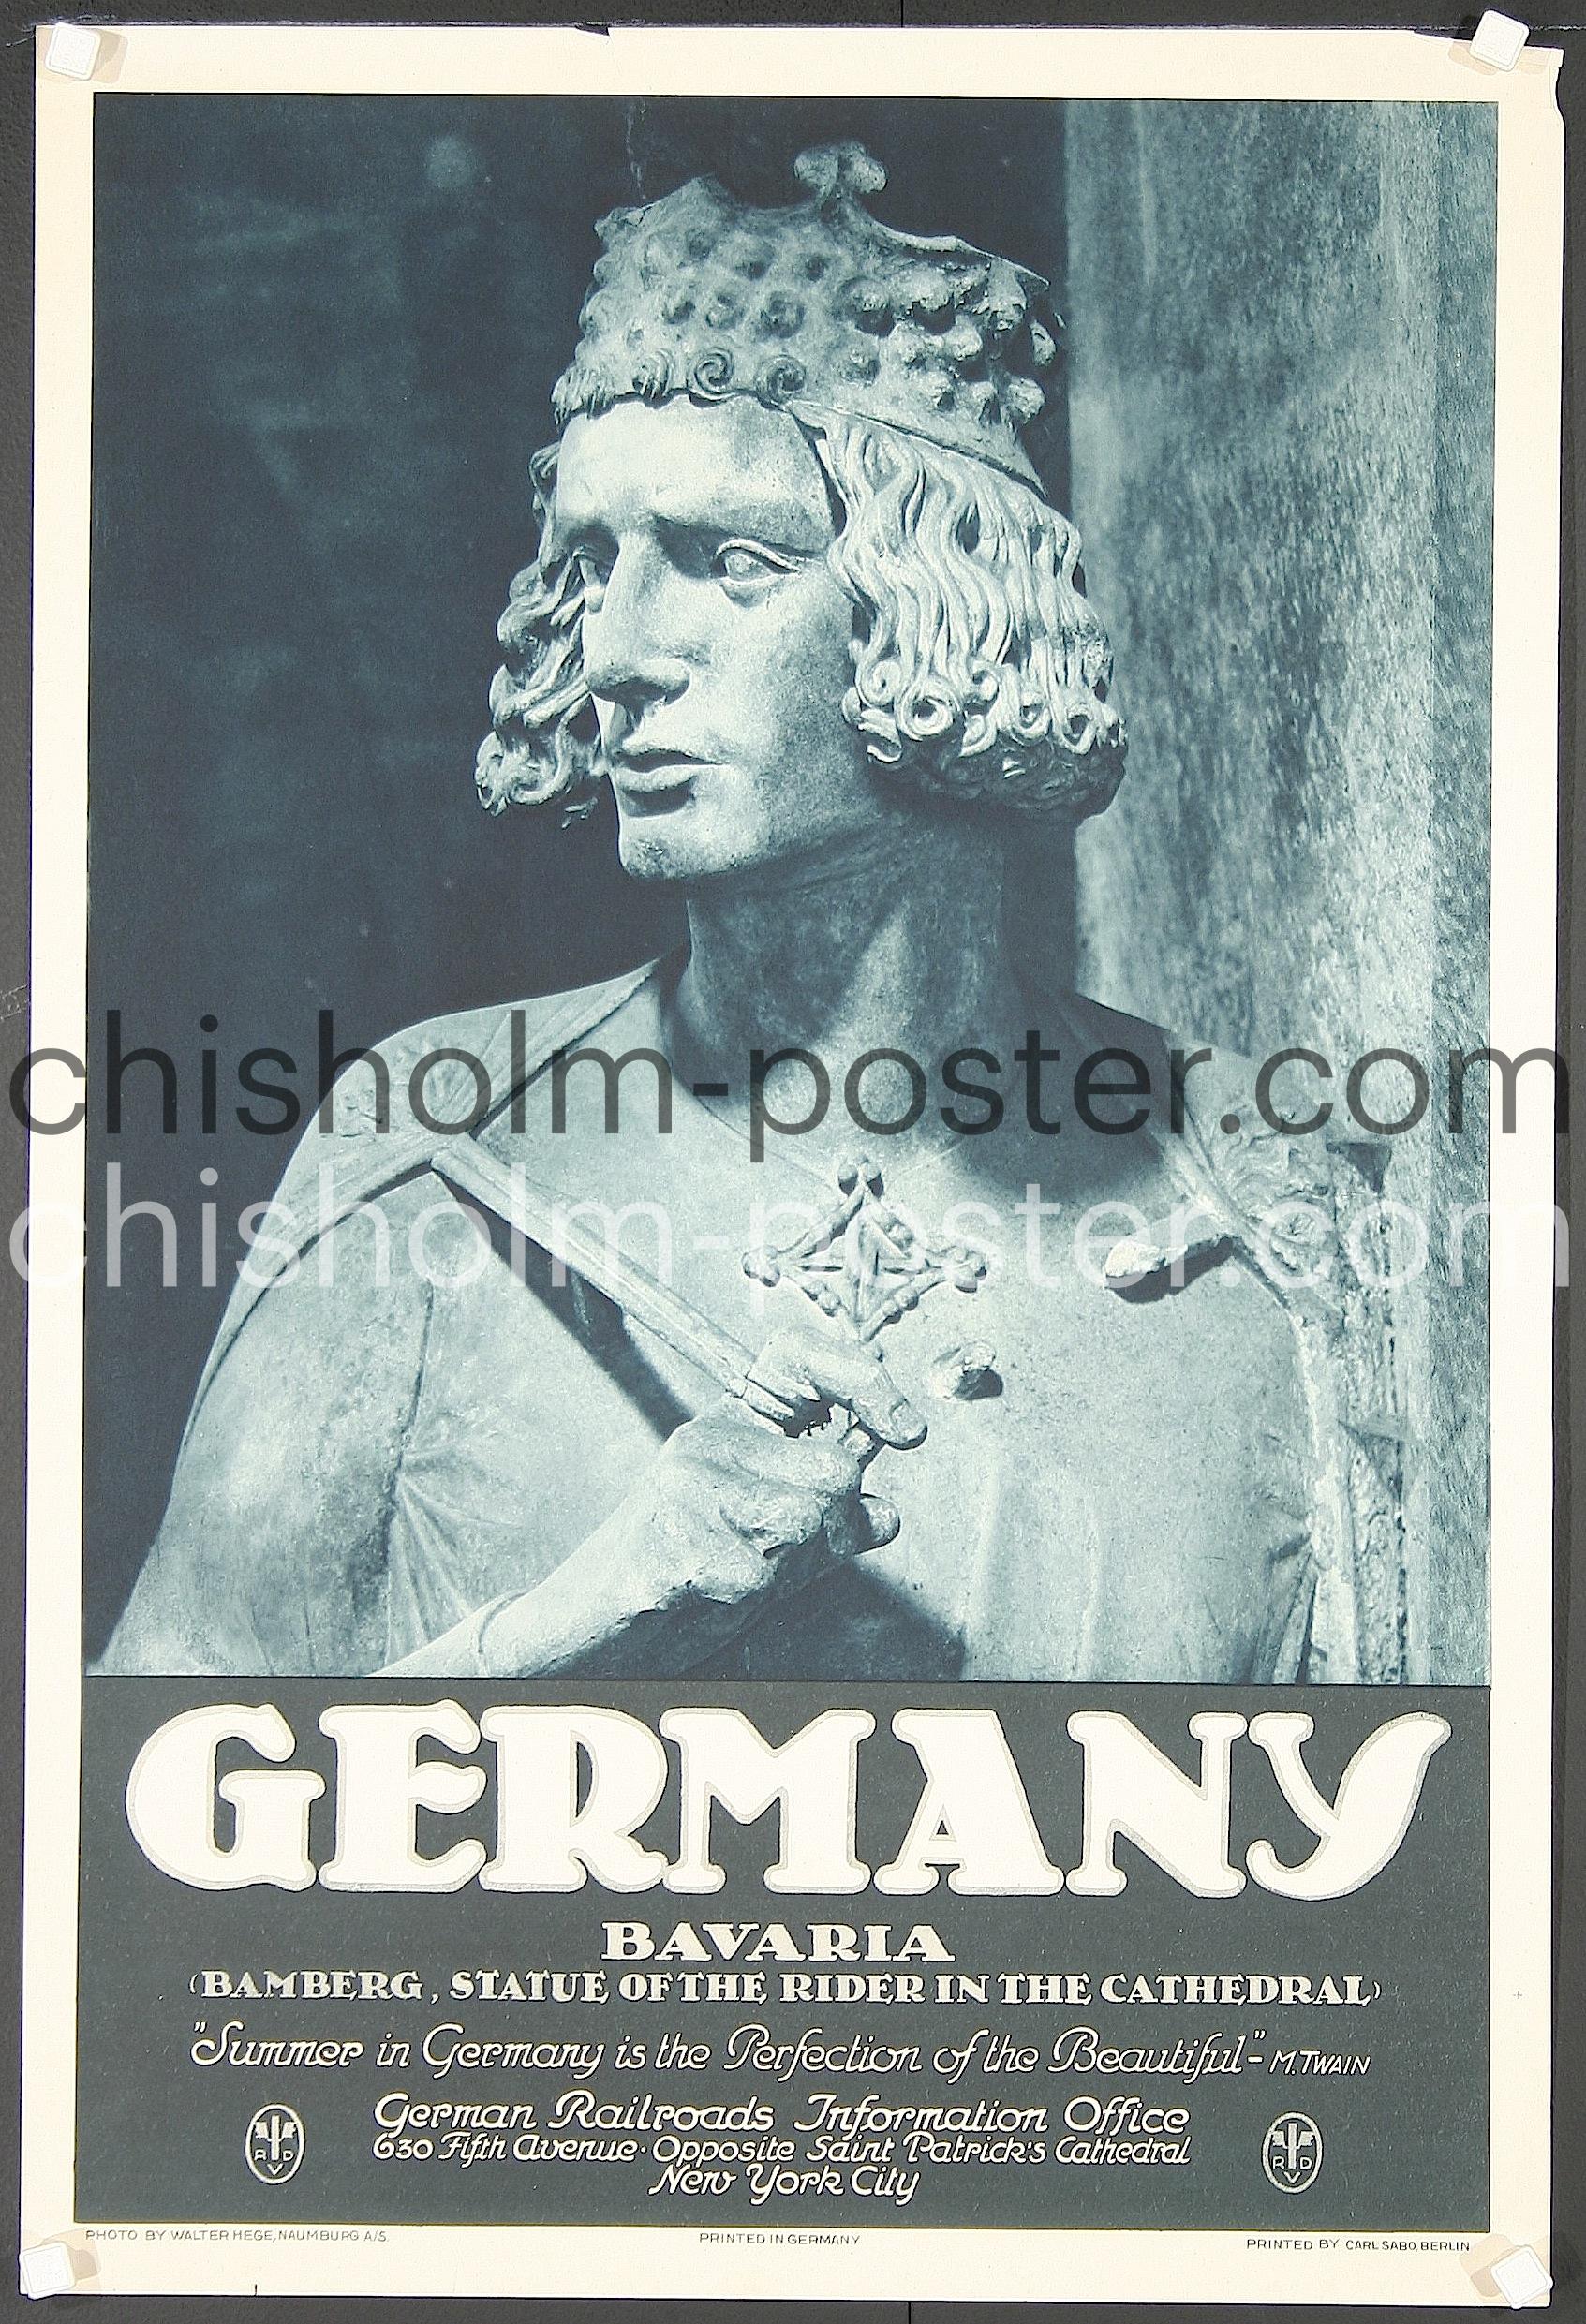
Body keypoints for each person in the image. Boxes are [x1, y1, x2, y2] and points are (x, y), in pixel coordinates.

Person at [101, 143, 1403, 1683]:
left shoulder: (1246, 1197)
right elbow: (154, 1828)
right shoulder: (434, 1147)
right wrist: (572, 1620)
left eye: (729, 560)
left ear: (942, 598)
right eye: (589, 563)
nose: (620, 649)